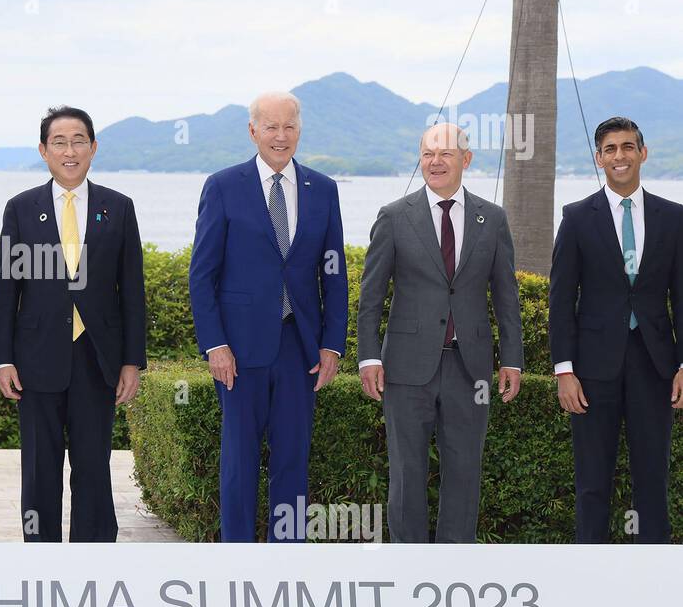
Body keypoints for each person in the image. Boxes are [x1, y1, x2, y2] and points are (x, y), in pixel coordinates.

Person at [189, 92, 347, 542]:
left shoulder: (323, 189)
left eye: (289, 126)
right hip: (238, 352)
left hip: (300, 348)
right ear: (253, 131)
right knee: (239, 461)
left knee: (293, 460)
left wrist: (332, 344)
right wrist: (215, 344)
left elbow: (334, 274)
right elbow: (202, 275)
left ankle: (287, 558)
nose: (281, 136)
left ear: (300, 130)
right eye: (271, 127)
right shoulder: (223, 186)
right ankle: (238, 559)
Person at [357, 123, 522, 543]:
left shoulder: (492, 218)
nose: (435, 162)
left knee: (465, 471)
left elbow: (506, 296)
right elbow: (371, 295)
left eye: (445, 153)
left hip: (471, 369)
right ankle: (409, 565)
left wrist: (512, 359)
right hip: (405, 369)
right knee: (406, 472)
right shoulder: (394, 217)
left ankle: (455, 566)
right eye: (428, 153)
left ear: (466, 159)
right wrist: (369, 356)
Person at [0, 106, 146, 542]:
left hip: (98, 358)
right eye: (59, 142)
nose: (70, 151)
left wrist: (132, 361)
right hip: (36, 358)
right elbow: (7, 289)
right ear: (44, 151)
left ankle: (92, 559)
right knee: (39, 466)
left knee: (93, 465)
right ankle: (42, 558)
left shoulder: (119, 207)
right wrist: (2, 358)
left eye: (79, 141)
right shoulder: (21, 208)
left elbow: (132, 291)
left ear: (93, 148)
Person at [549, 116, 683, 543]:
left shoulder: (673, 217)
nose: (619, 156)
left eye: (627, 147)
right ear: (598, 158)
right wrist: (564, 370)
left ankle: (653, 572)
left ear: (642, 153)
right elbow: (560, 299)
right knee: (592, 482)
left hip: (655, 365)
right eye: (610, 149)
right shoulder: (576, 218)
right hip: (592, 370)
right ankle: (590, 570)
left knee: (653, 479)